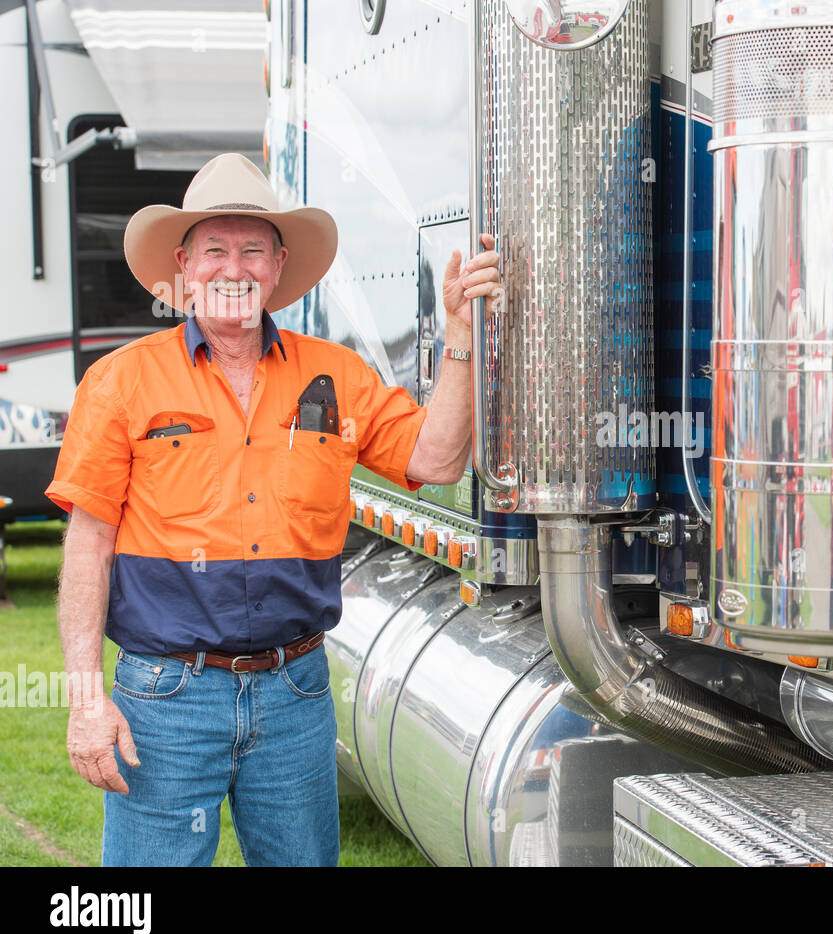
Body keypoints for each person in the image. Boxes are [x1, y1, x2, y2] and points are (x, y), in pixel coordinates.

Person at [44, 152, 500, 865]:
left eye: (253, 249)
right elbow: (88, 544)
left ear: (279, 265)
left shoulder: (338, 375)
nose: (235, 267)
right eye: (215, 249)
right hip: (165, 697)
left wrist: (461, 340)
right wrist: (84, 700)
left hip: (294, 691)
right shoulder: (120, 383)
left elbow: (435, 461)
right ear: (184, 266)